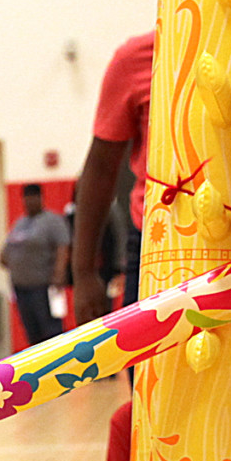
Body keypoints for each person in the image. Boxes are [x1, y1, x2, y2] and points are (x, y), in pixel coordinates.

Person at [72, 31, 153, 321]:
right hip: (153, 243)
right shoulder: (137, 58)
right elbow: (101, 167)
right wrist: (83, 273)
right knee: (146, 364)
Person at [0, 183, 70, 344]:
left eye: (32, 197)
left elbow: (63, 248)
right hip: (21, 288)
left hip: (43, 287)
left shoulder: (52, 221)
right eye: (26, 198)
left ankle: (59, 367)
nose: (29, 202)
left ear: (40, 198)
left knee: (50, 332)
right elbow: (4, 254)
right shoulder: (20, 223)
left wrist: (59, 274)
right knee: (32, 333)